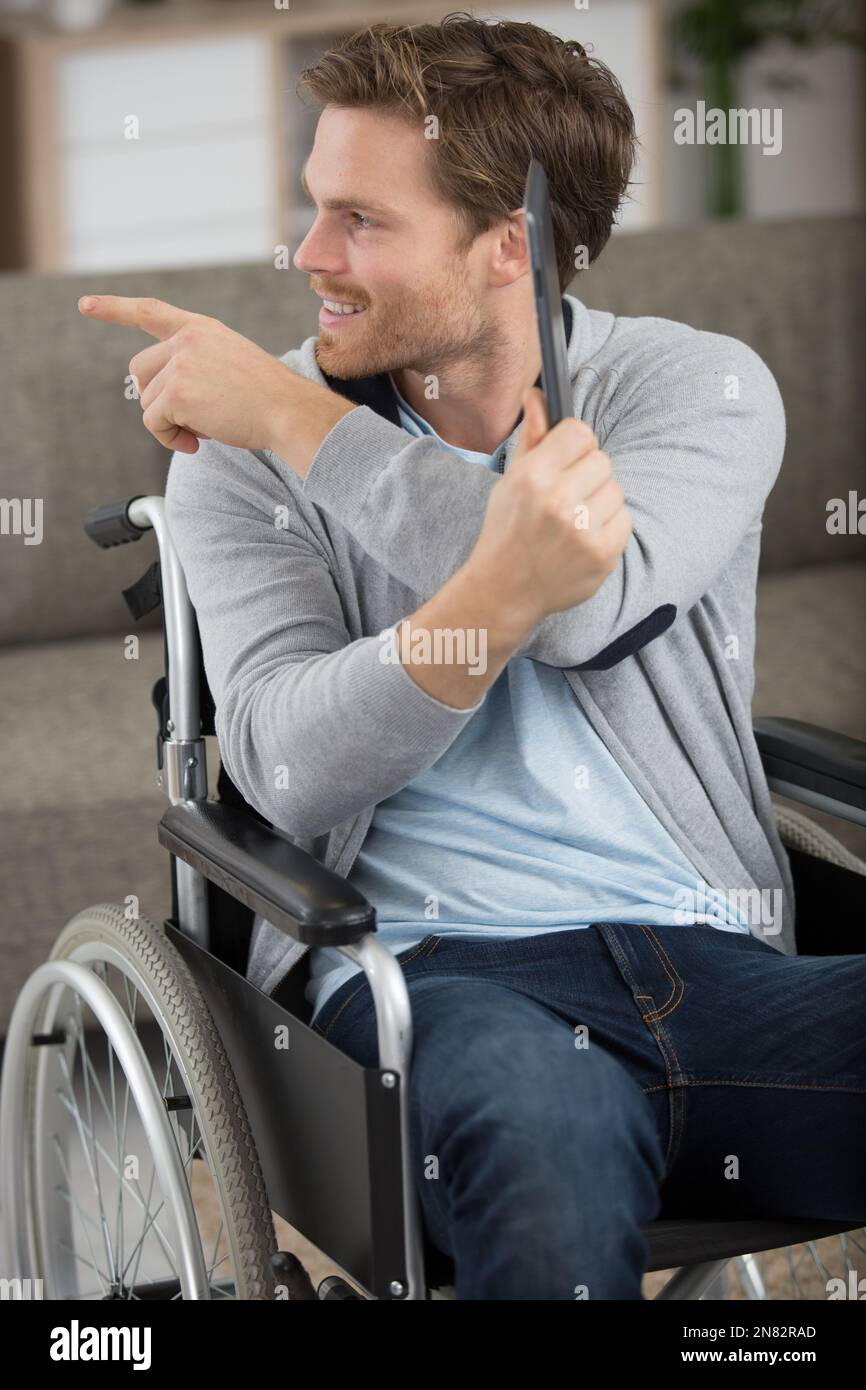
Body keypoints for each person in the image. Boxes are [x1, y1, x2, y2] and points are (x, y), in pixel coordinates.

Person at [152, 15, 866, 1299]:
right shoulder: (238, 454)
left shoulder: (692, 388)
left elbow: (589, 611)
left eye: (361, 220)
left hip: (712, 951)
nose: (309, 256)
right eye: (314, 209)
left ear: (509, 248)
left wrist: (307, 423)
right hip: (435, 977)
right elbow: (292, 767)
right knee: (540, 1160)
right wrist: (461, 560)